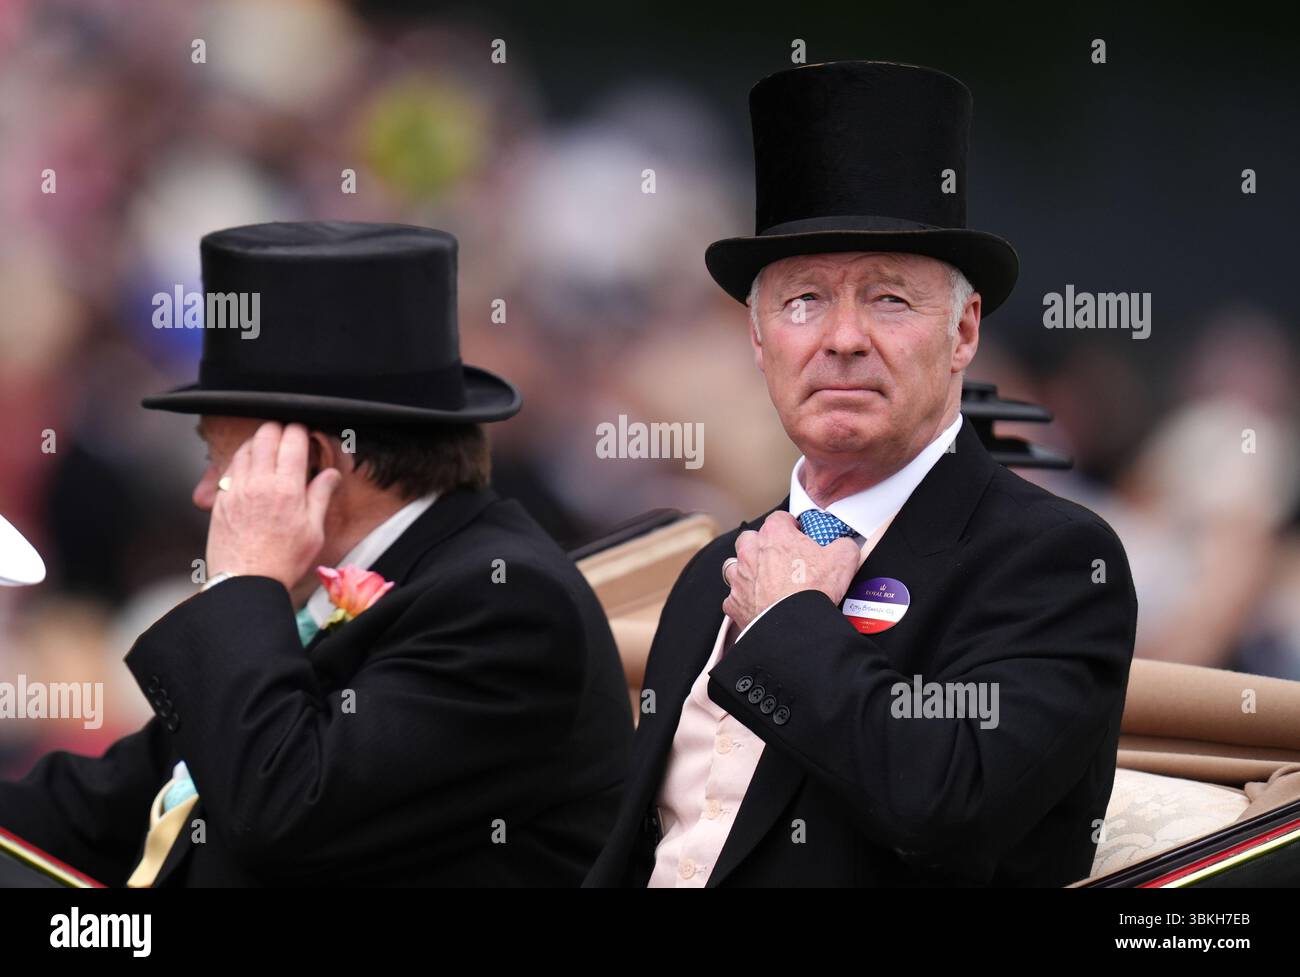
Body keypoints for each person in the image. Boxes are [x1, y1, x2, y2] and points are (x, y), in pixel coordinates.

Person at [585, 61, 1138, 887]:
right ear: (759, 338)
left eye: (887, 299)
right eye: (804, 300)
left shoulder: (1052, 563)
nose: (841, 338)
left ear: (963, 332)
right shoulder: (710, 576)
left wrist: (789, 624)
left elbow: (946, 806)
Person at [0, 221, 633, 886]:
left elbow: (277, 811)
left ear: (311, 464)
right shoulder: (352, 585)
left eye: (217, 459)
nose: (200, 492)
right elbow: (106, 804)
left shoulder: (505, 604)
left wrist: (245, 578)